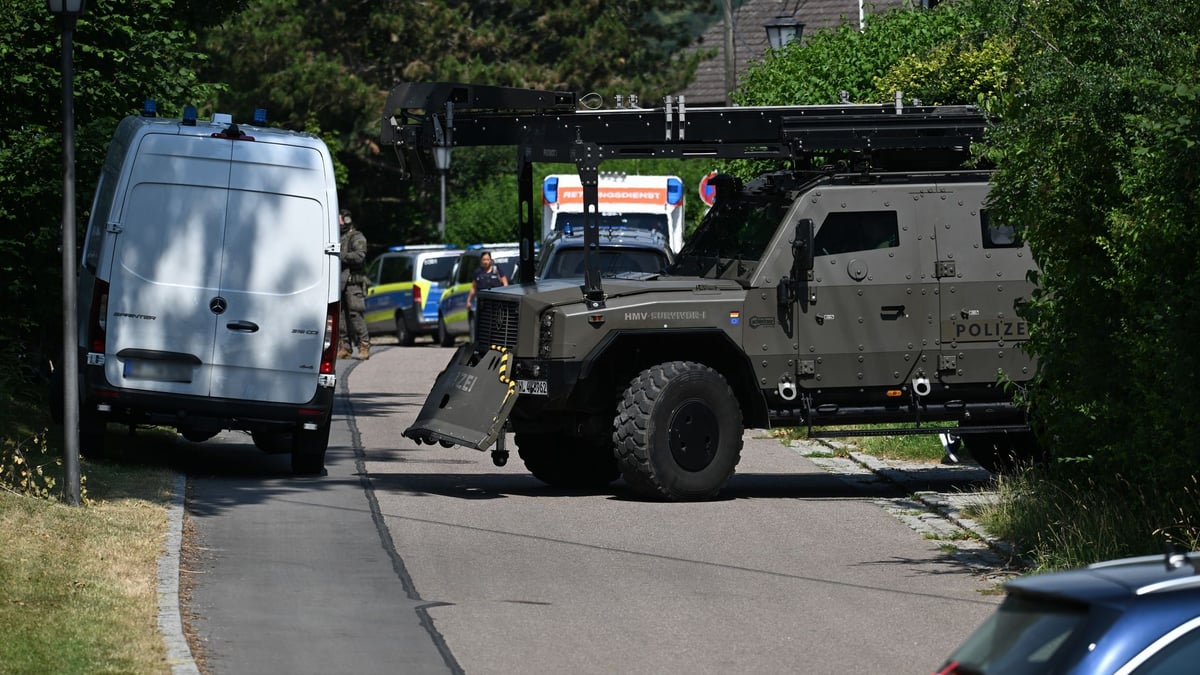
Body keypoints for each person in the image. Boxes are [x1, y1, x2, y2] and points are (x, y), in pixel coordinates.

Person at [338, 208, 370, 360]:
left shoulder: (356, 237)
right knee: (341, 316)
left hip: (353, 284)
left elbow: (359, 256)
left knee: (355, 314)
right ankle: (344, 347)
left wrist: (340, 255)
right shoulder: (340, 237)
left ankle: (364, 346)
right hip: (341, 283)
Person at [466, 251, 509, 335]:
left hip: (496, 302)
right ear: (481, 261)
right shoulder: (478, 272)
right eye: (484, 260)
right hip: (482, 303)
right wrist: (469, 300)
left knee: (496, 322)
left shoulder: (497, 271)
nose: (486, 262)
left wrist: (505, 296)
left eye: (487, 259)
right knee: (482, 323)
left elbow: (505, 283)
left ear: (491, 260)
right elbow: (473, 287)